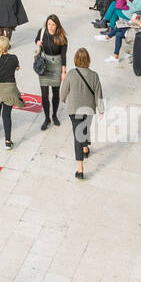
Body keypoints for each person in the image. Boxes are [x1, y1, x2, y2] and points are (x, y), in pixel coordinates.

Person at [59, 48, 103, 179]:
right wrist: (101, 110)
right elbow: (98, 93)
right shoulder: (94, 75)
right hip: (88, 109)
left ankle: (80, 169)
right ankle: (85, 149)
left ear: (76, 60)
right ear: (88, 60)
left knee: (78, 136)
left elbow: (63, 90)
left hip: (74, 110)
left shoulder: (71, 74)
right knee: (85, 129)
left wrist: (63, 98)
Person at [34, 15, 67, 130]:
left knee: (55, 93)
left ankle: (54, 115)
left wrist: (63, 71)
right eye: (49, 24)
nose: (51, 27)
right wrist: (37, 42)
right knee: (44, 95)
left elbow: (63, 55)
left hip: (56, 66)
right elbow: (36, 39)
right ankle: (47, 117)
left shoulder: (62, 37)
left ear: (57, 25)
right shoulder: (42, 32)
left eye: (53, 24)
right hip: (44, 64)